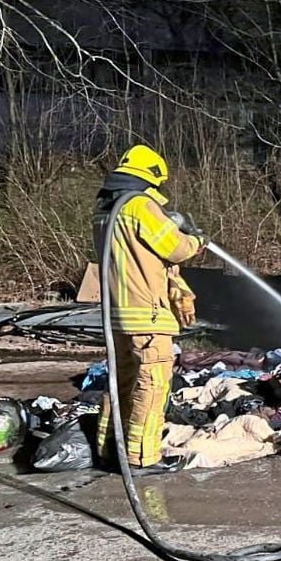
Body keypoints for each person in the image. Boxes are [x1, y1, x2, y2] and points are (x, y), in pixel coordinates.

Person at [92, 144, 203, 474]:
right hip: (148, 316)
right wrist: (196, 239)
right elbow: (177, 248)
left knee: (121, 383)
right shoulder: (140, 206)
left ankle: (109, 448)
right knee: (151, 387)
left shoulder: (104, 210)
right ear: (150, 179)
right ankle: (142, 458)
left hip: (117, 317)